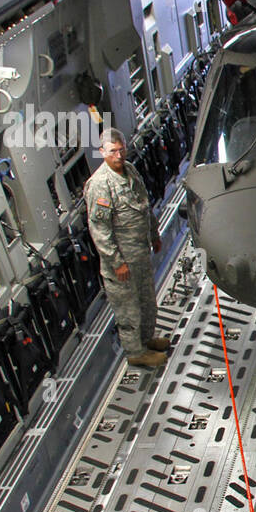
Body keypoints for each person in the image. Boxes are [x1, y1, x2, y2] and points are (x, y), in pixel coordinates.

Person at [86, 128, 169, 367]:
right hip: (121, 263)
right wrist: (117, 262)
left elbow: (144, 206)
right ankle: (135, 352)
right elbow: (99, 230)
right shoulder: (100, 185)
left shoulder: (130, 170)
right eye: (113, 151)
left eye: (122, 149)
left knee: (146, 302)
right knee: (128, 308)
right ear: (102, 152)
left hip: (139, 254)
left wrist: (154, 234)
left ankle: (146, 340)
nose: (119, 155)